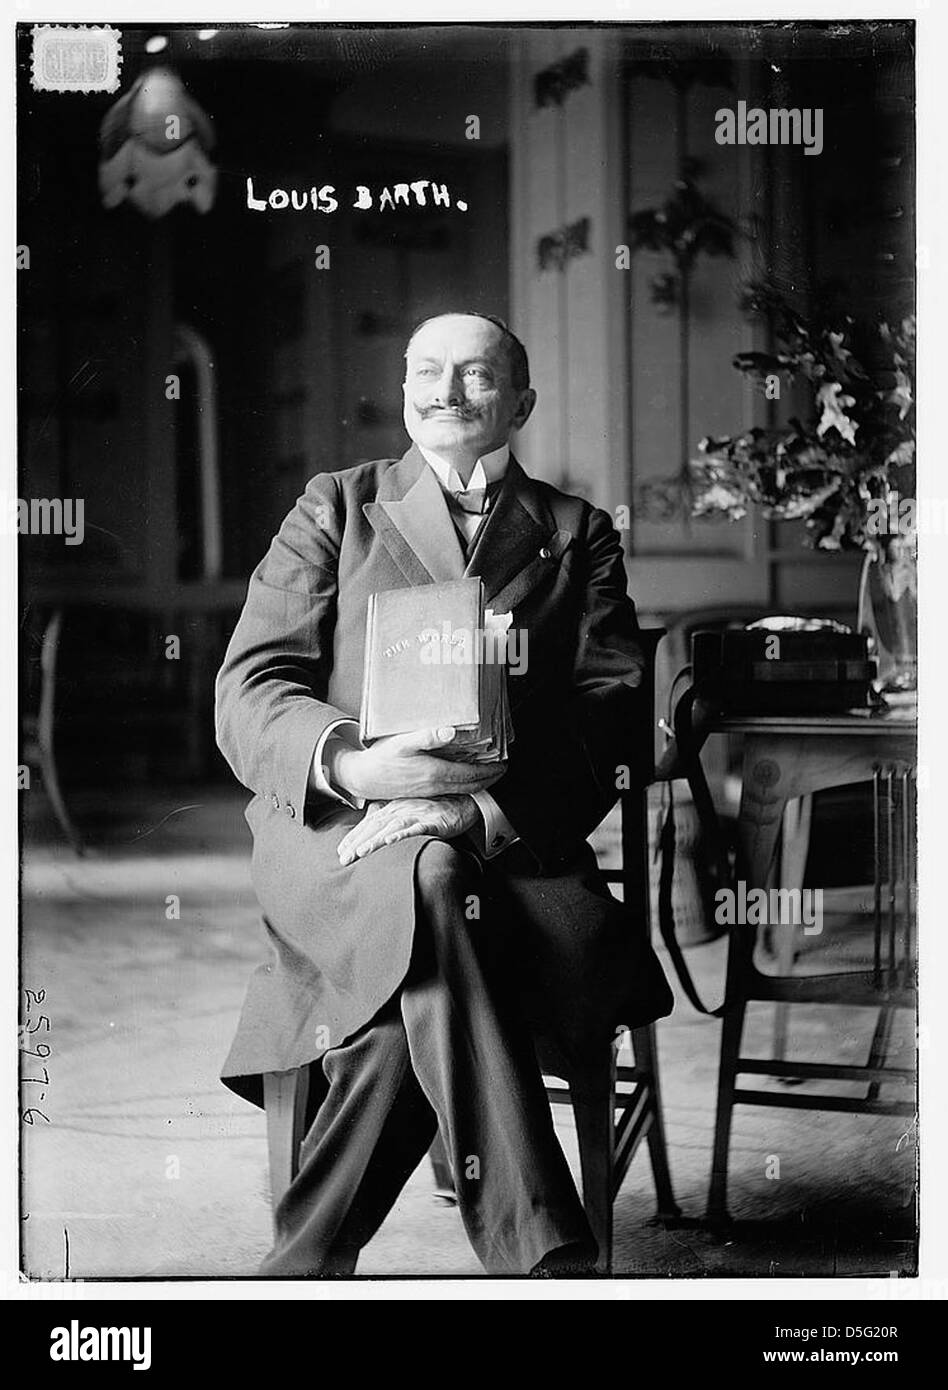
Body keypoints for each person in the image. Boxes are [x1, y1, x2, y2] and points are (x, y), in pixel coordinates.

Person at [215, 311, 673, 1276]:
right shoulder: (335, 507)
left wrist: (472, 814)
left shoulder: (576, 534)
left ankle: (303, 1262)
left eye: (475, 375)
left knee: (424, 911)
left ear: (521, 402)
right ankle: (543, 1249)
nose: (446, 392)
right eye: (428, 370)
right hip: (338, 845)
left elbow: (613, 715)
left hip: (513, 856)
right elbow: (248, 690)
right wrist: (351, 764)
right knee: (422, 875)